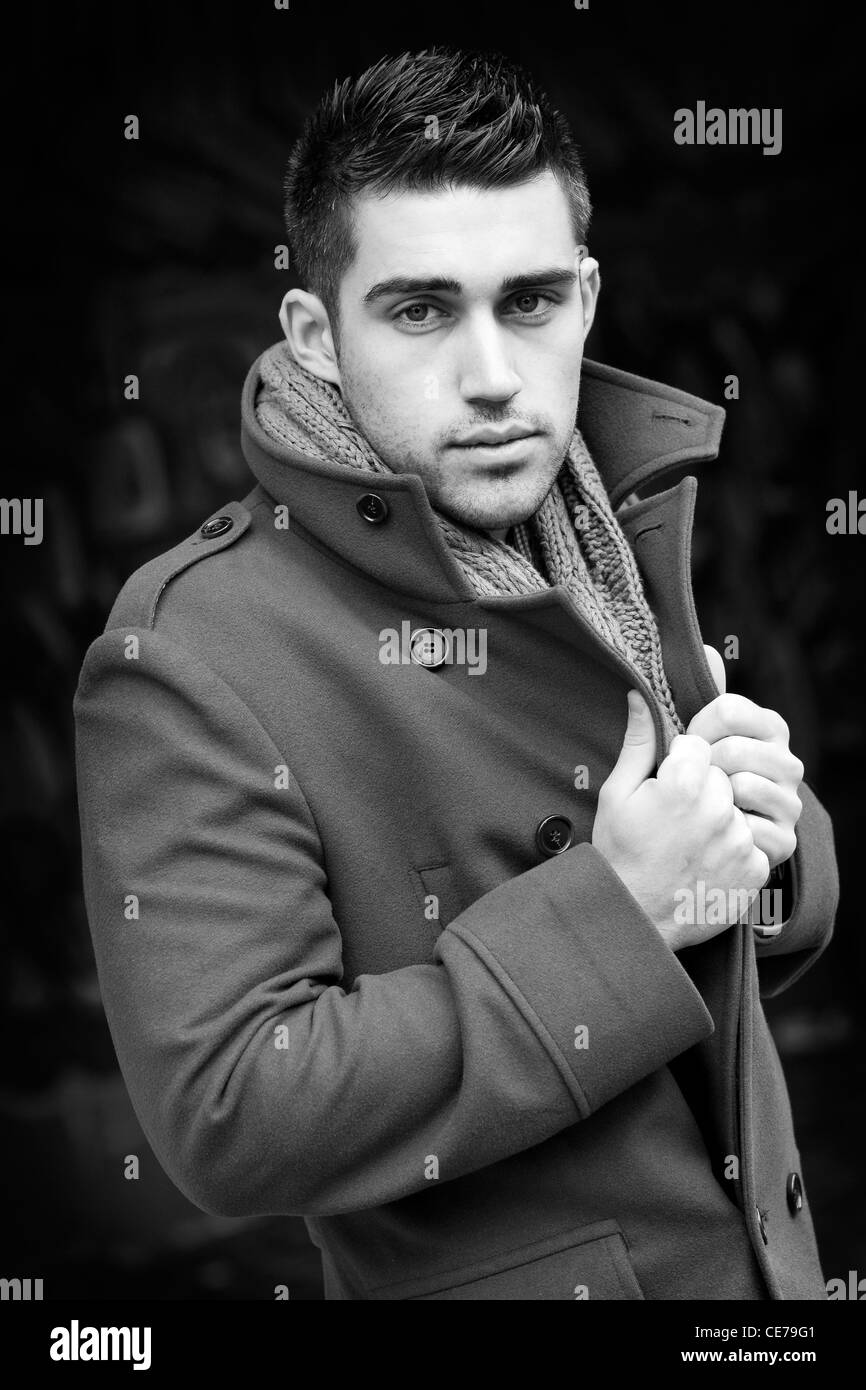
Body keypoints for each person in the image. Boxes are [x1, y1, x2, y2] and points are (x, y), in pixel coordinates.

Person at [73, 47, 839, 1300]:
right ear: (315, 335)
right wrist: (618, 910)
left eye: (529, 302)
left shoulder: (608, 515)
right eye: (420, 310)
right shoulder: (189, 651)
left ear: (586, 298)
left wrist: (767, 846)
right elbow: (230, 1109)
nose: (491, 375)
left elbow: (726, 942)